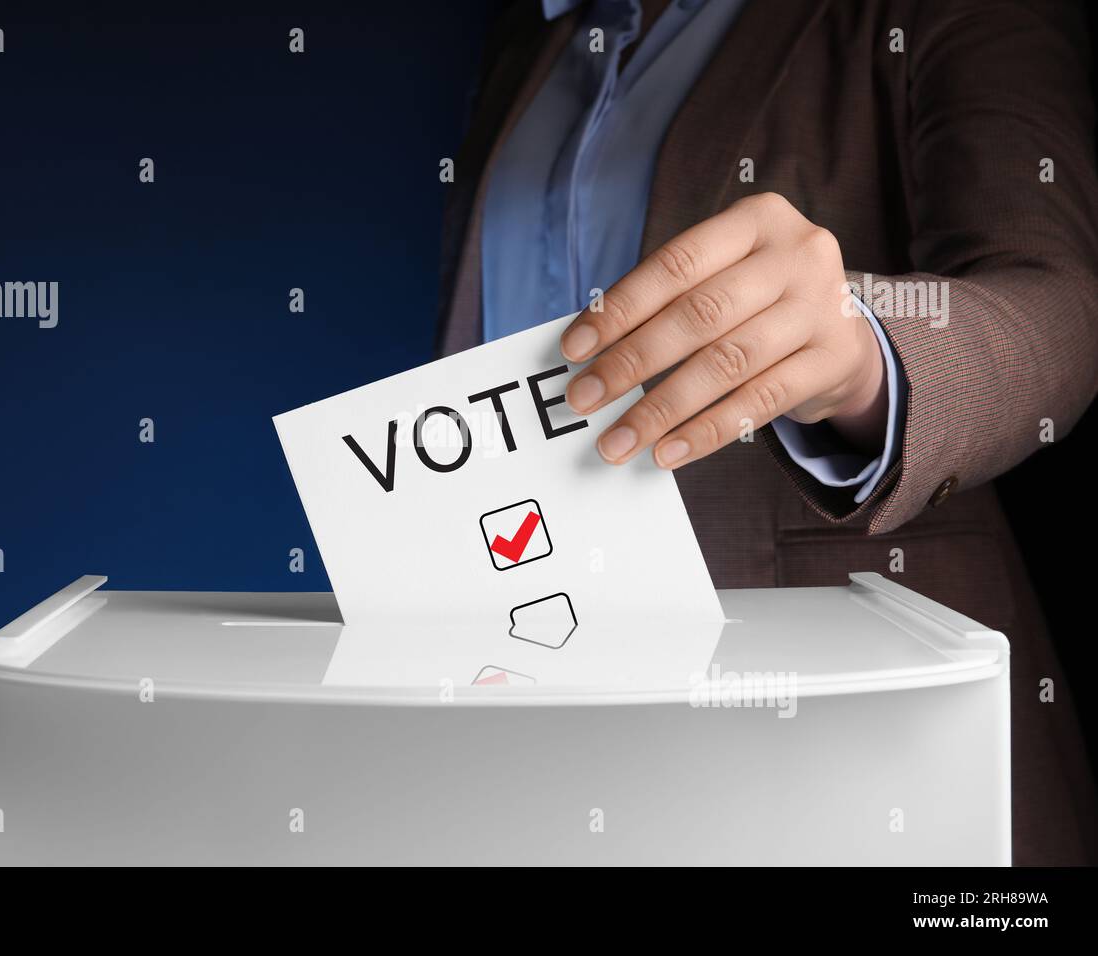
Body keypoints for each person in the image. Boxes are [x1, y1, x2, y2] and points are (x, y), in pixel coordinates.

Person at [437, 0, 1098, 865]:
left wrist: (864, 351)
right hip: (527, 718)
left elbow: (1062, 304)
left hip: (843, 748)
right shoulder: (529, 37)